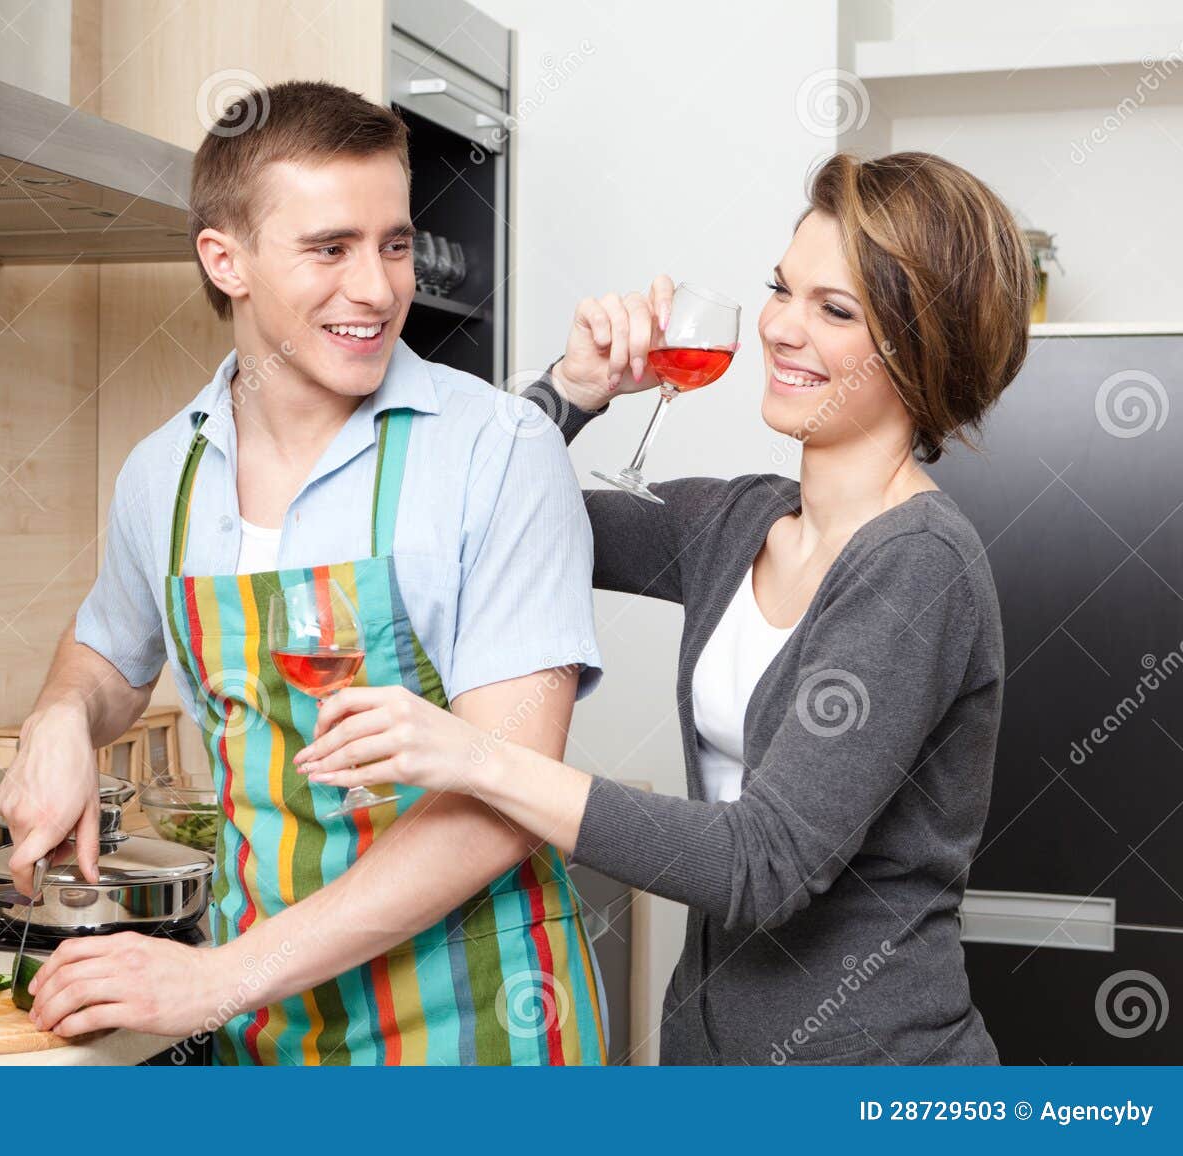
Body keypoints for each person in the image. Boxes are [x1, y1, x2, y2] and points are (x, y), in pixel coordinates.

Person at [295, 152, 1036, 1065]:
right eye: (782, 289)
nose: (780, 328)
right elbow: (484, 515)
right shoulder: (739, 522)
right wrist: (572, 392)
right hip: (703, 1051)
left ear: (926, 351)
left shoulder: (918, 565)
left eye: (835, 310)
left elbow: (760, 865)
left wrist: (478, 756)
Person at [0, 80, 608, 1065]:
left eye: (394, 245)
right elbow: (106, 654)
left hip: (482, 1024)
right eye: (330, 249)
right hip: (271, 1031)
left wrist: (215, 978)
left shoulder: (499, 450)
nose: (378, 289)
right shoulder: (163, 472)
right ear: (224, 260)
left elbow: (510, 795)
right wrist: (60, 717)